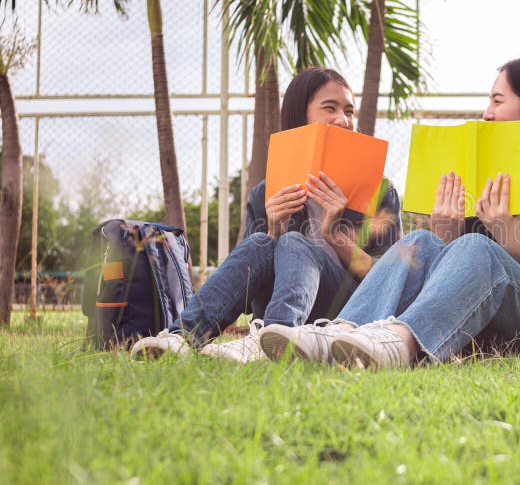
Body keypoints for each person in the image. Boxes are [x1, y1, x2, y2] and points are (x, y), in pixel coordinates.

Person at [259, 57, 520, 368]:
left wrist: (515, 245)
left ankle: (399, 343)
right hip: (484, 331)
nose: (487, 112)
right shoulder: (484, 171)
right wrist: (445, 233)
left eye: (497, 101)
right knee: (420, 241)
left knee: (478, 247)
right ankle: (344, 332)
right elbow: (461, 278)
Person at [130, 67, 401, 362]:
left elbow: (386, 278)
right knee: (264, 241)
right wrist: (274, 231)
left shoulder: (378, 192)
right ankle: (182, 336)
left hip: (344, 312)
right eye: (330, 108)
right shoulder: (266, 193)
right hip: (281, 300)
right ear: (301, 117)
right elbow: (243, 284)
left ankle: (272, 336)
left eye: (349, 111)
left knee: (296, 242)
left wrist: (334, 235)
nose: (344, 119)